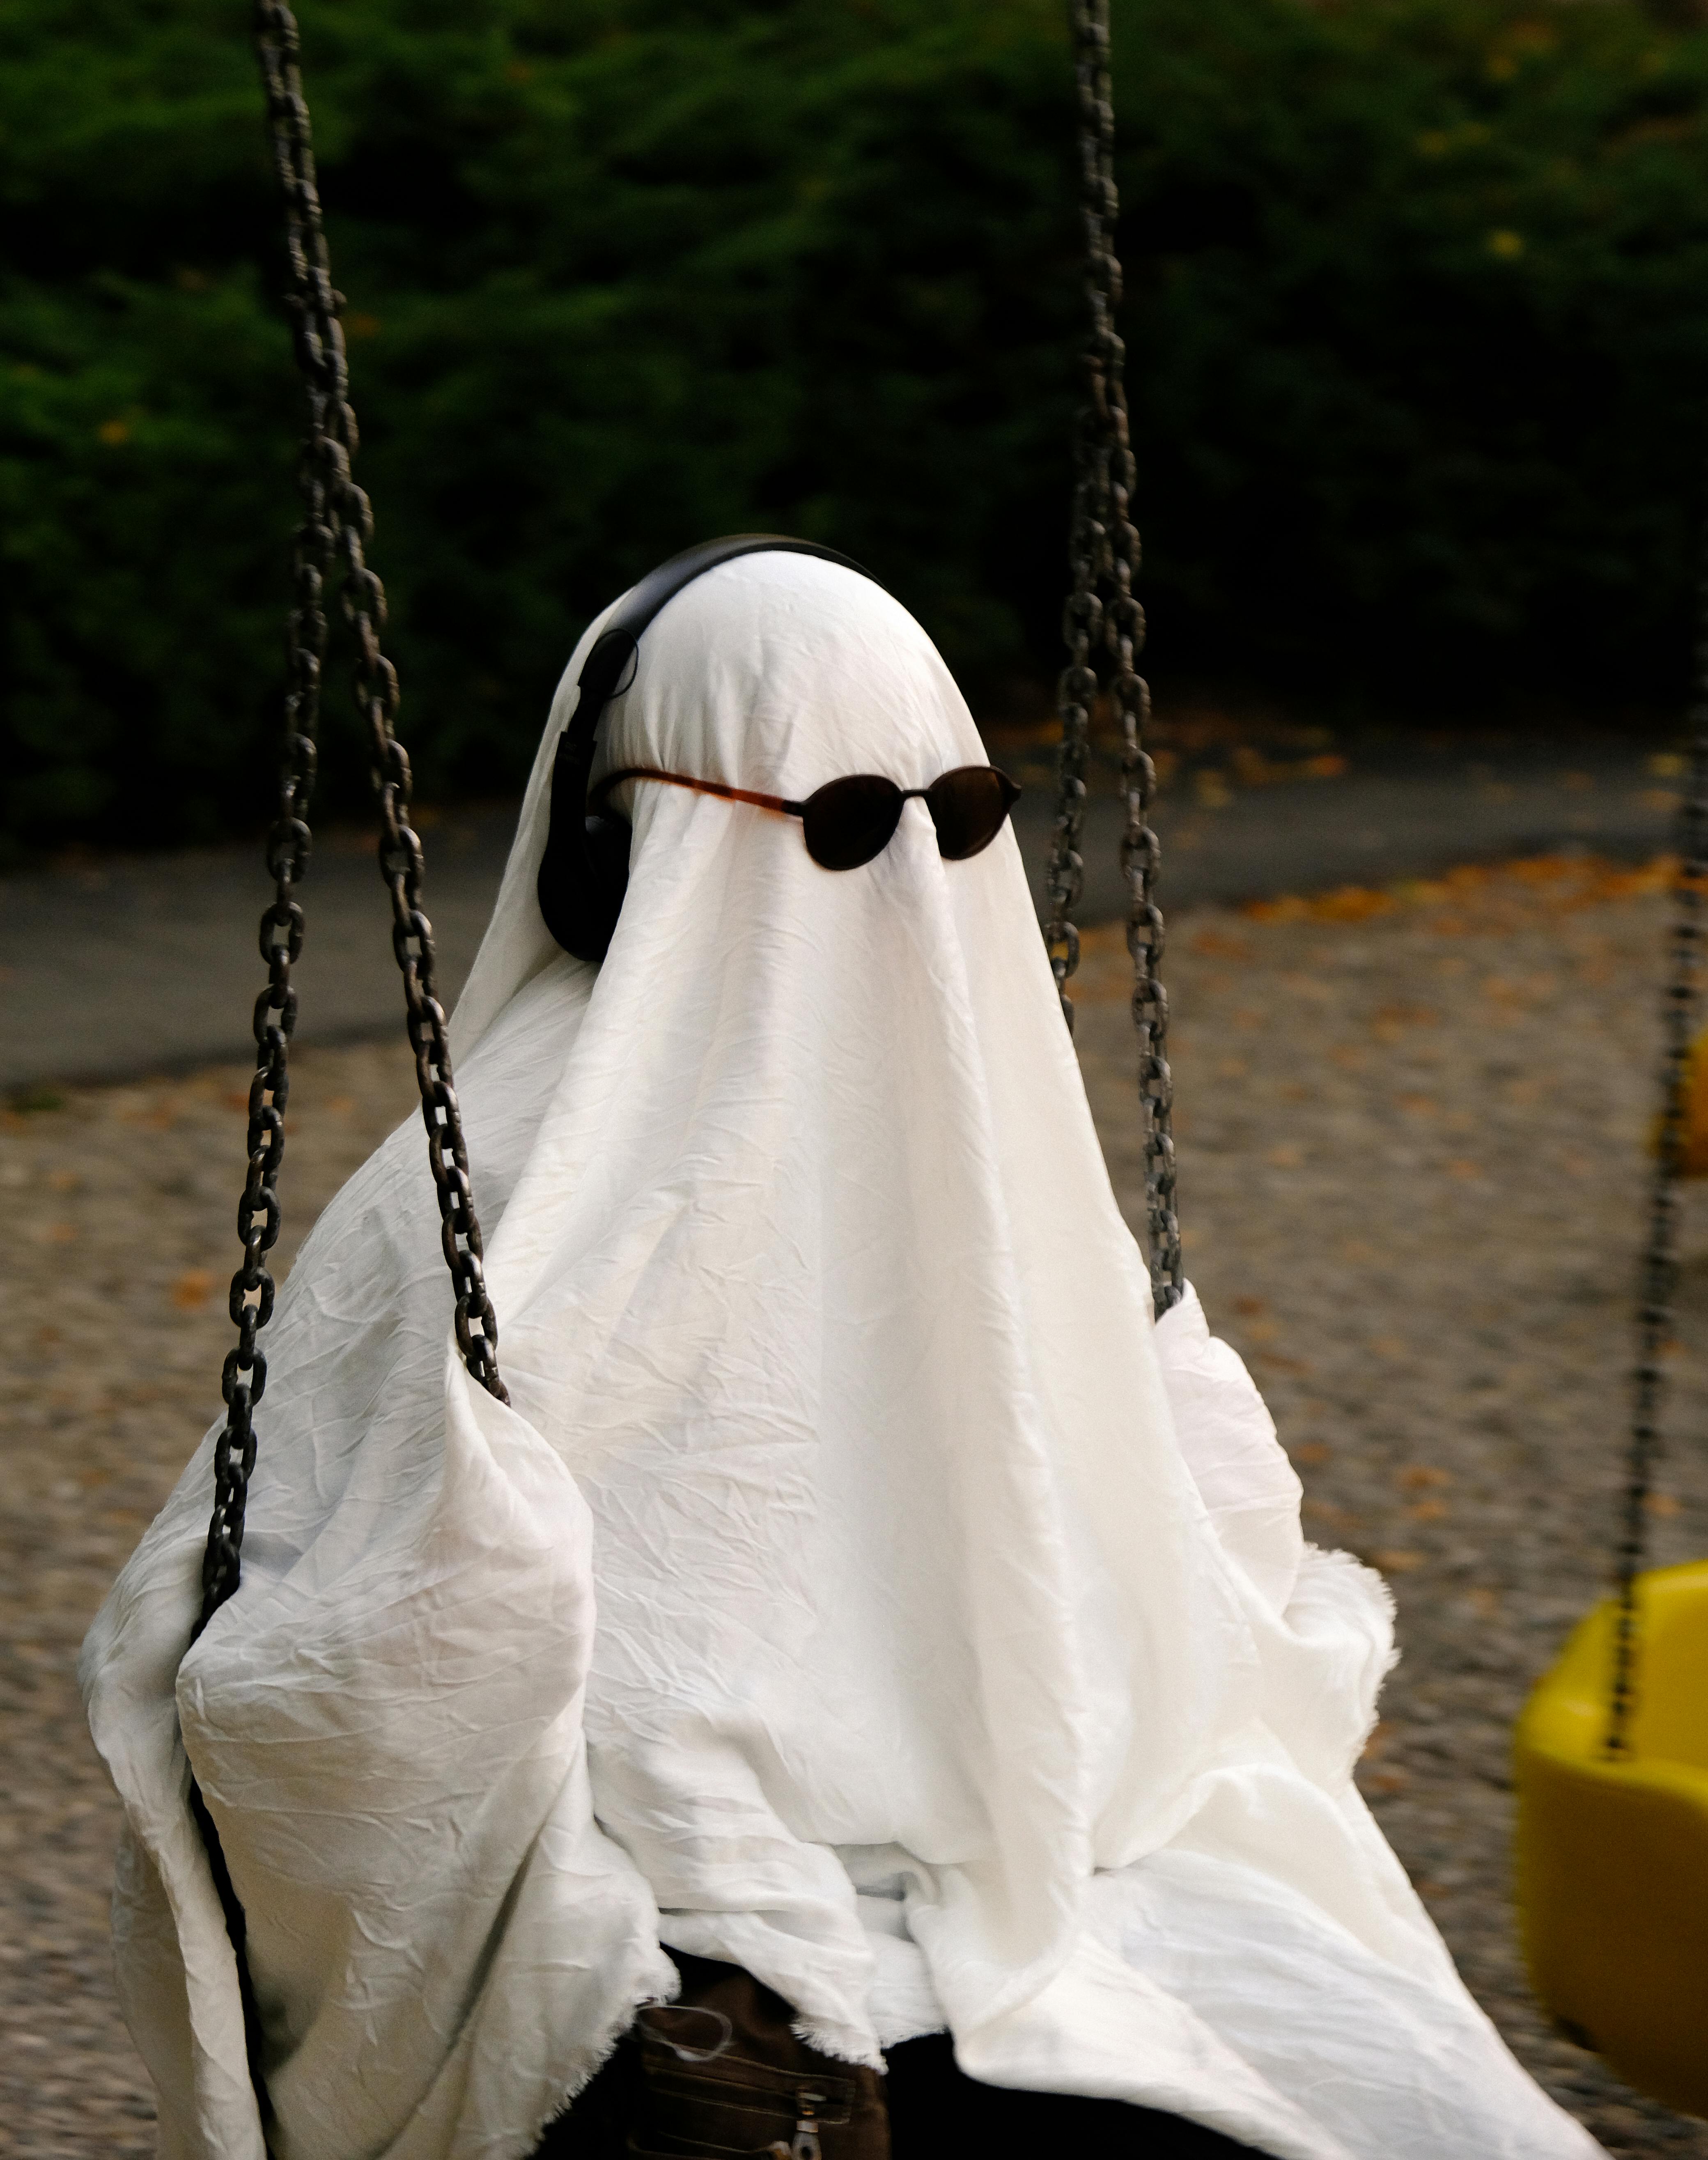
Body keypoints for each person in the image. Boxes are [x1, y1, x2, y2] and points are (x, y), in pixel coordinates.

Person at [84, 547, 1601, 2160]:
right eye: (849, 829)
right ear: (612, 847)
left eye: (958, 819)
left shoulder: (969, 1147)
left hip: (983, 1875)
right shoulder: (526, 1184)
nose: (909, 877)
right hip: (706, 1936)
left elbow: (336, 1687)